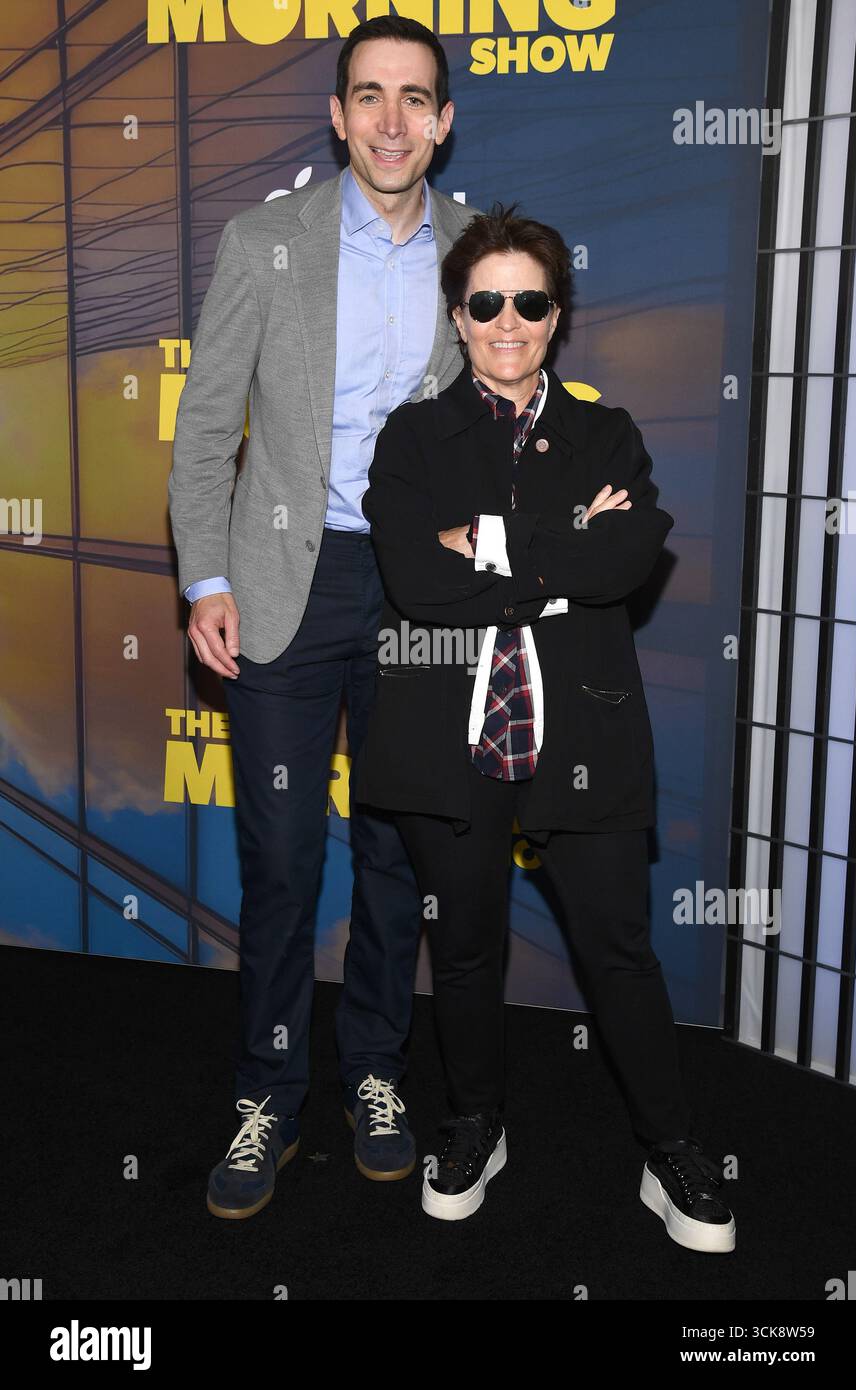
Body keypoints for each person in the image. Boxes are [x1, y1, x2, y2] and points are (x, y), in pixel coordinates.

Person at [353, 203, 736, 1253]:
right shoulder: (411, 435)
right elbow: (414, 582)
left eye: (529, 300)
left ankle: (671, 1151)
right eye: (486, 302)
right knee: (464, 952)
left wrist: (481, 538)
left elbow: (626, 557)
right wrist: (558, 552)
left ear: (556, 315)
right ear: (458, 315)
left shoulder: (604, 429)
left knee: (619, 952)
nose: (507, 320)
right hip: (447, 741)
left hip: (585, 741)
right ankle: (474, 1121)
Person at [168, 16, 484, 1219]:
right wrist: (207, 581)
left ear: (444, 120)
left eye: (416, 99)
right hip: (283, 589)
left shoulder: (478, 251)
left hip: (420, 596)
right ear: (339, 115)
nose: (393, 121)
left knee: (399, 858)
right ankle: (266, 1093)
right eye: (370, 97)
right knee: (284, 860)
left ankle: (375, 1076)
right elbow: (205, 431)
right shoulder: (266, 243)